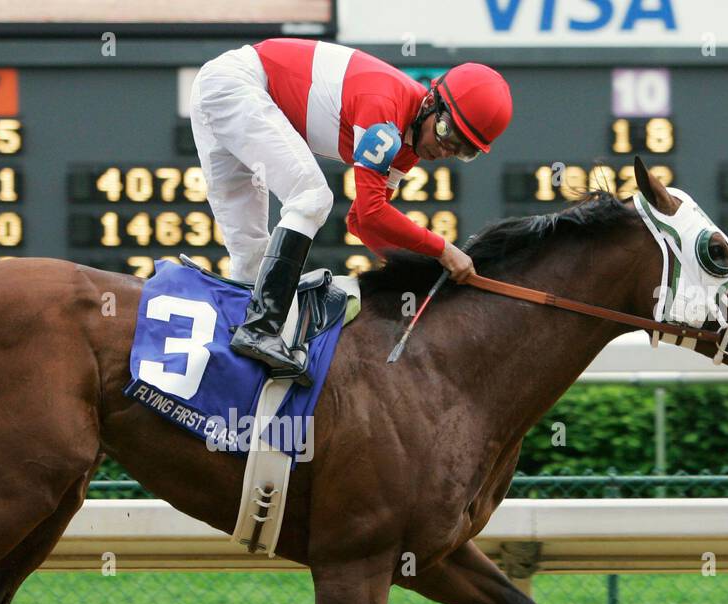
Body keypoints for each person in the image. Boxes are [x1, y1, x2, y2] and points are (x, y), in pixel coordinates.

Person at [188, 37, 513, 382]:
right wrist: (443, 250)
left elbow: (362, 223)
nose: (445, 148)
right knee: (311, 196)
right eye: (447, 132)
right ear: (431, 101)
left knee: (250, 257)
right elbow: (372, 214)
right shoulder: (385, 114)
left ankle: (236, 365)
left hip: (221, 90)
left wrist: (422, 273)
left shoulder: (407, 145)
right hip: (237, 84)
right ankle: (261, 330)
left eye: (463, 149)